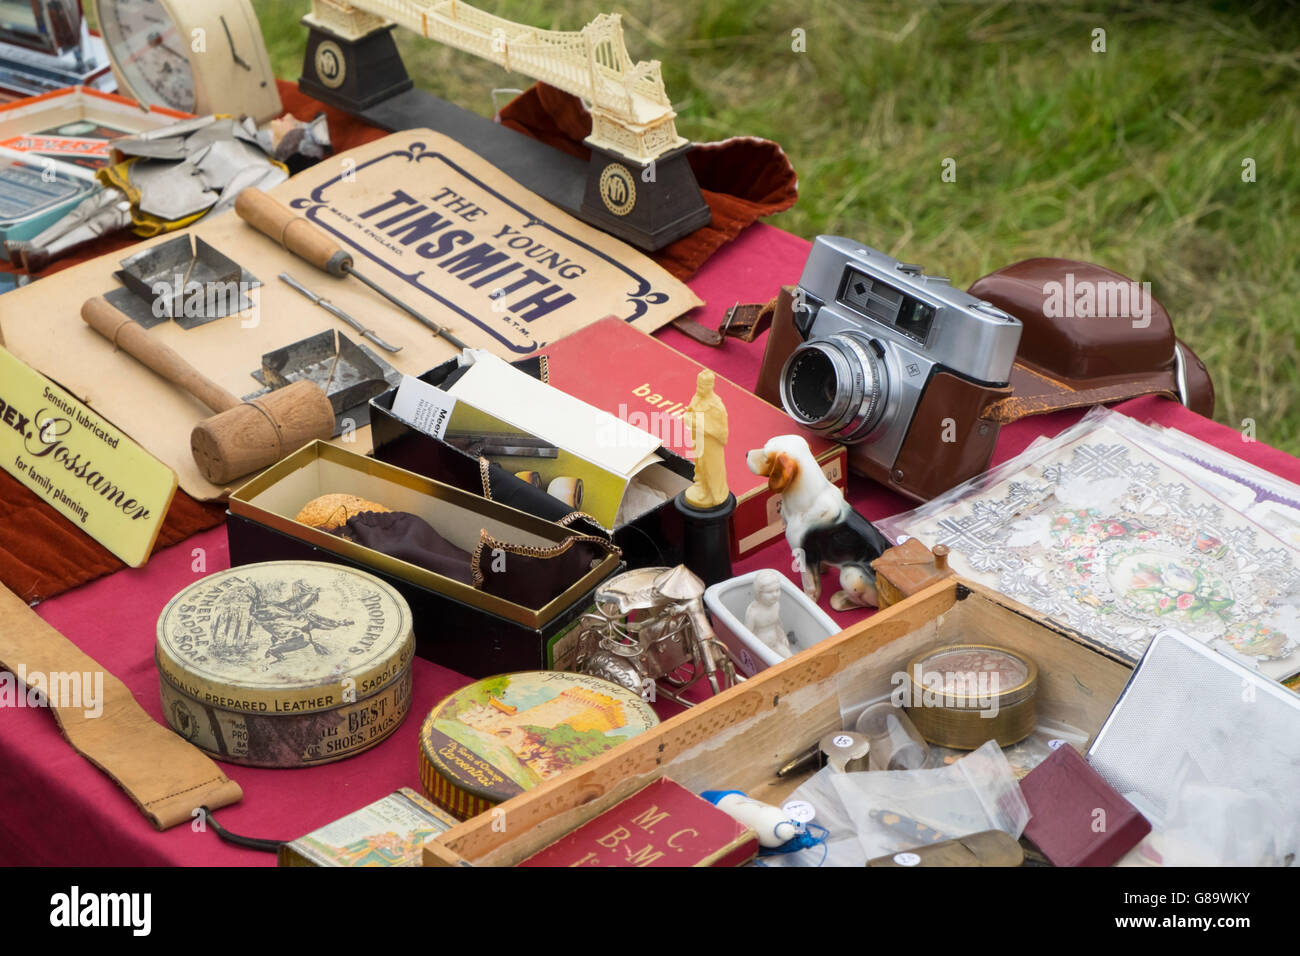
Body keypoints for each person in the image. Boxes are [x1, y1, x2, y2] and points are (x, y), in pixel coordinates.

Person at [683, 369, 729, 508]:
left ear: (711, 386)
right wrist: (689, 418)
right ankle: (702, 487)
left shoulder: (717, 407)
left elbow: (721, 431)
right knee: (700, 465)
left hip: (711, 444)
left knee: (711, 468)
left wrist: (697, 423)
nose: (699, 389)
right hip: (698, 440)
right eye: (698, 385)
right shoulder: (697, 398)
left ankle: (714, 494)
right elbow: (690, 412)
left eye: (702, 386)